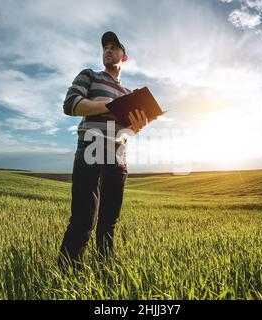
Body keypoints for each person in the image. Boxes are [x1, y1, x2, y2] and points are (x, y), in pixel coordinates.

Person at [58, 31, 148, 271]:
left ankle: (104, 271)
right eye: (105, 47)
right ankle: (66, 277)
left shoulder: (129, 94)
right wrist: (110, 105)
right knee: (84, 219)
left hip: (119, 153)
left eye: (114, 46)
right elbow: (71, 104)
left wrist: (138, 124)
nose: (108, 50)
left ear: (124, 56)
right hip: (92, 146)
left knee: (109, 221)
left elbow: (128, 129)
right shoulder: (90, 75)